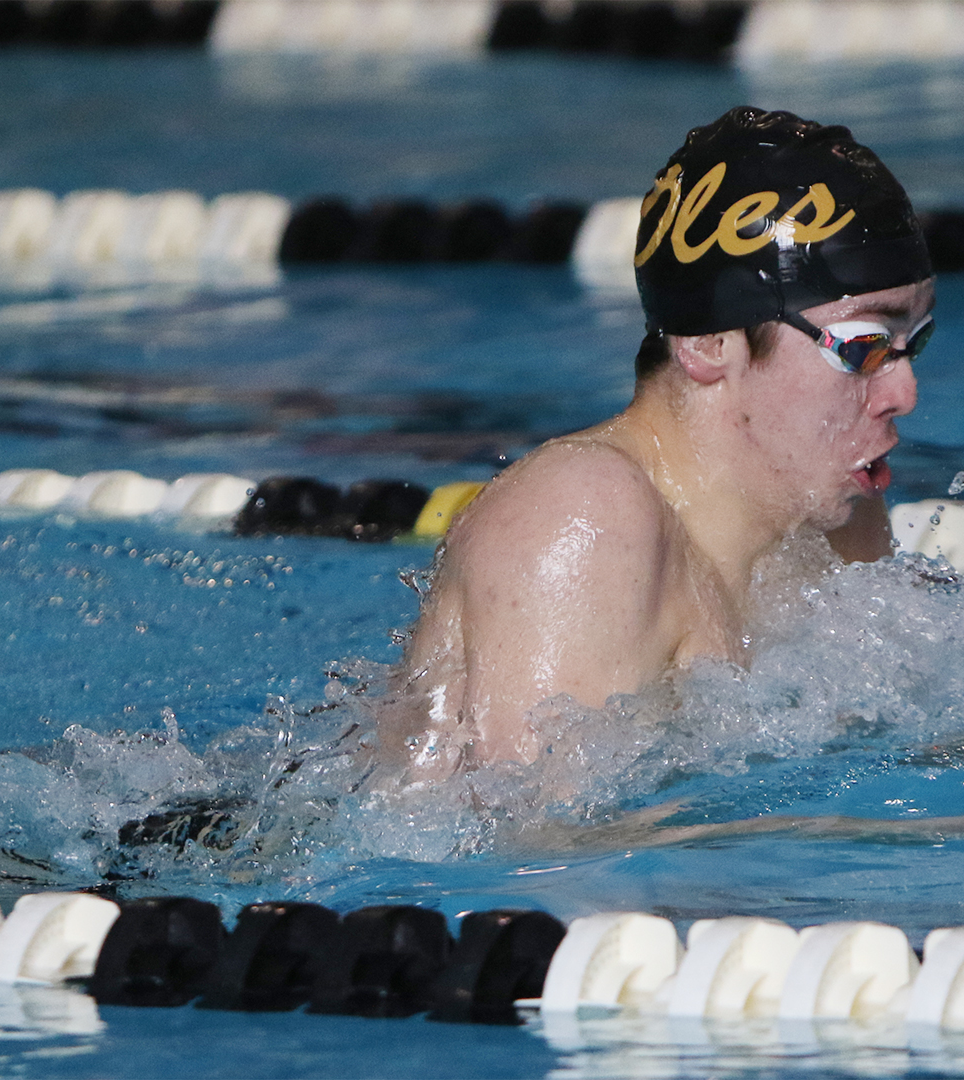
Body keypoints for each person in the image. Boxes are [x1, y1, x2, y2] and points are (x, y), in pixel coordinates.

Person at [383, 106, 935, 773]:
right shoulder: (582, 519)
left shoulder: (830, 510)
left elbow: (944, 728)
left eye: (913, 343)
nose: (904, 393)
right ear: (709, 344)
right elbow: (534, 852)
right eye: (865, 346)